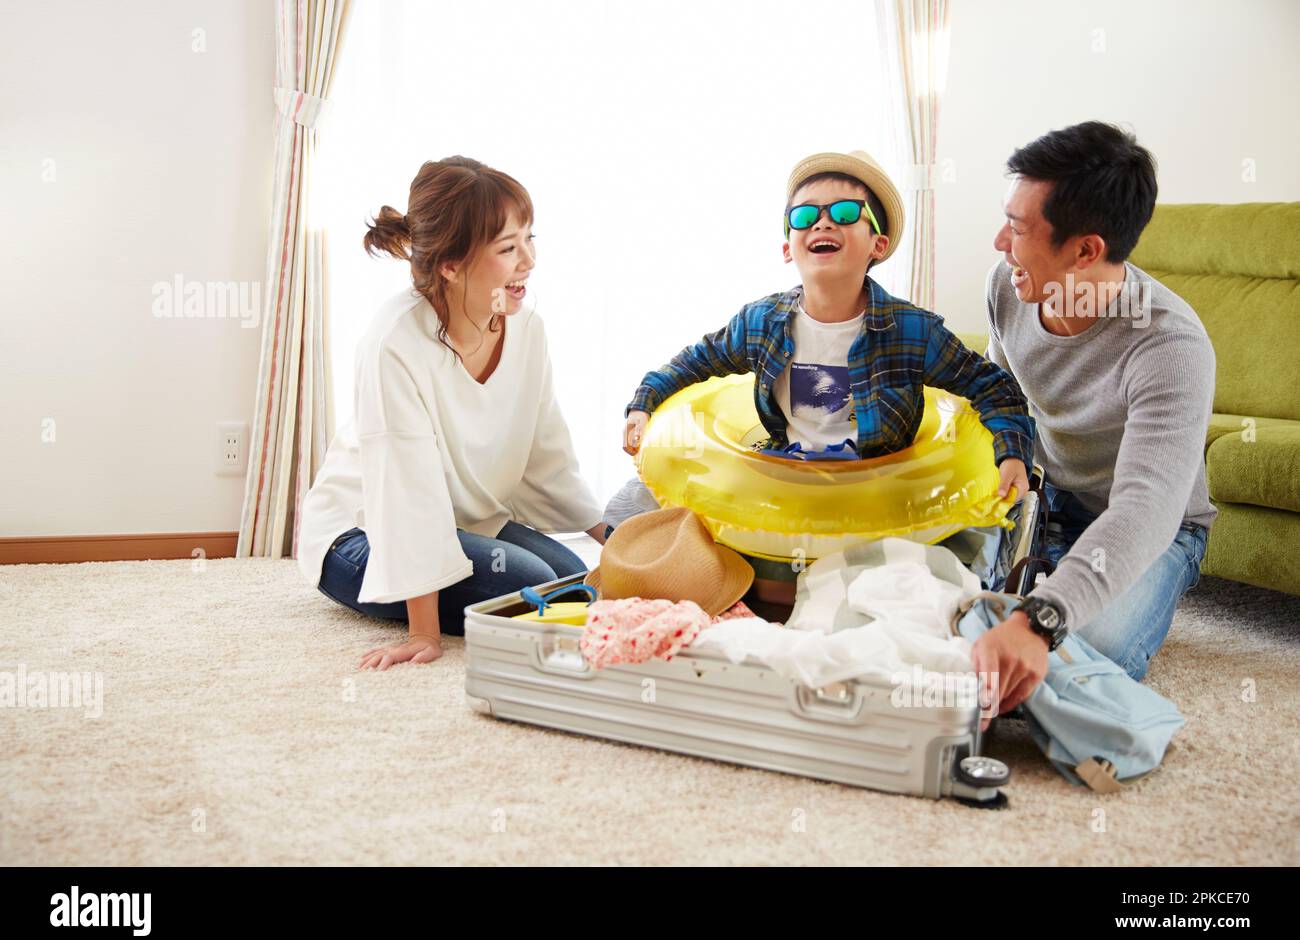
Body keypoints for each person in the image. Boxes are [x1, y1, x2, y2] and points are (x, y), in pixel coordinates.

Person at [296, 157, 605, 670]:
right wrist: (425, 631)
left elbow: (546, 451)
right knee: (535, 587)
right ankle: (401, 596)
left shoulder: (527, 330)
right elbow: (404, 491)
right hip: (362, 531)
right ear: (451, 264)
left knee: (577, 577)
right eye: (508, 248)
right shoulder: (394, 341)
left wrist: (611, 536)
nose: (528, 260)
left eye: (530, 239)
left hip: (466, 520)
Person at [972, 122, 1215, 725]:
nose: (1000, 242)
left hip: (1156, 527)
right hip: (1047, 497)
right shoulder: (1008, 286)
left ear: (1085, 250)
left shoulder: (1168, 345)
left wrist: (1041, 618)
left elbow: (1144, 510)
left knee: (1081, 652)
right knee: (930, 596)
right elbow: (1001, 399)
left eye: (1020, 229)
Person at [620, 149, 1034, 498]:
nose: (823, 222)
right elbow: (694, 361)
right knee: (634, 502)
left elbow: (993, 387)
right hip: (789, 475)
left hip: (873, 488)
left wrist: (1012, 451)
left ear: (878, 244)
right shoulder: (760, 323)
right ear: (788, 248)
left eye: (845, 211)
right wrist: (643, 403)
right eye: (804, 216)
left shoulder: (913, 331)